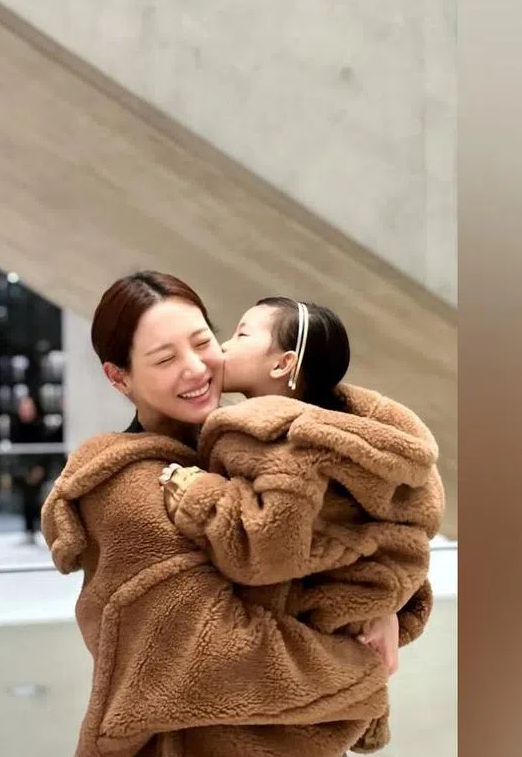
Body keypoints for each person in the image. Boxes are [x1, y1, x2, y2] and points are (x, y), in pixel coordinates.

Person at [42, 272, 390, 757]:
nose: (195, 368)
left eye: (203, 342)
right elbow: (215, 653)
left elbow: (351, 542)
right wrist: (363, 667)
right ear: (119, 377)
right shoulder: (127, 489)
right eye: (165, 359)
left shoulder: (248, 453)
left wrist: (379, 606)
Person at [158, 297, 445, 751]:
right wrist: (384, 600)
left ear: (283, 364)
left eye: (242, 334)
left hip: (288, 690)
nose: (223, 346)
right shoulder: (348, 436)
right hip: (326, 670)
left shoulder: (289, 445)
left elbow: (266, 551)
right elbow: (403, 527)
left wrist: (192, 491)